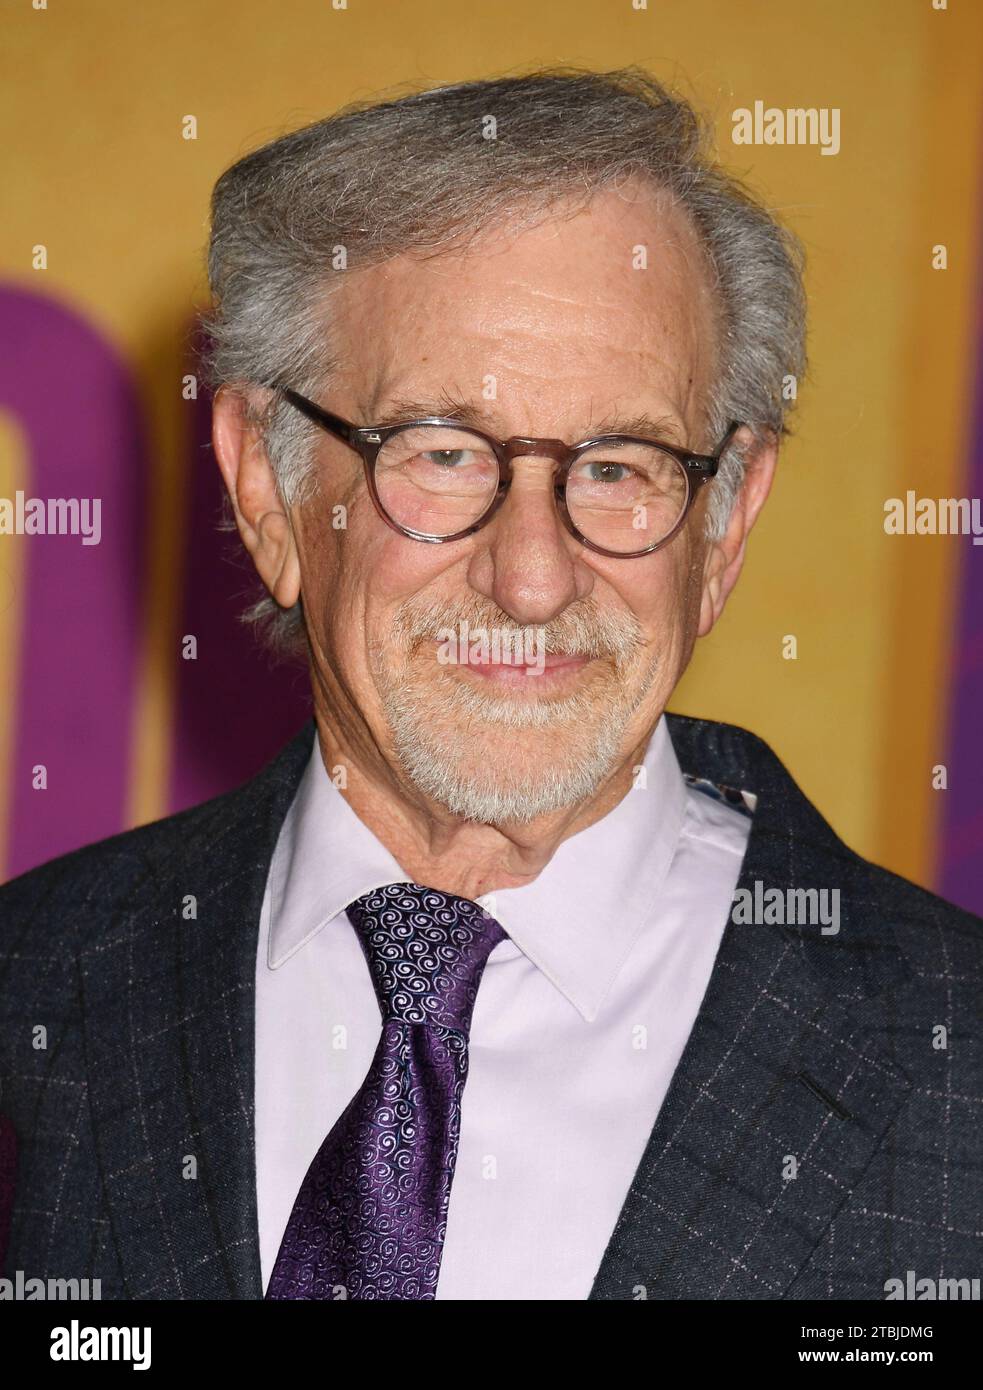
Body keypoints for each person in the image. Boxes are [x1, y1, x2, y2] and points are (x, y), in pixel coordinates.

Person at [1, 68, 980, 1302]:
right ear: (266, 489)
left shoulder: (953, 1063)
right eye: (445, 453)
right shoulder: (37, 990)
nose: (531, 577)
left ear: (723, 522)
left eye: (619, 464)